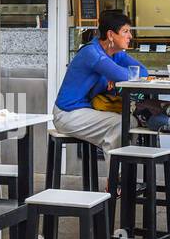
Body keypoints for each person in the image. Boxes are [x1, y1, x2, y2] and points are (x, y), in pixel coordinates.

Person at [53, 8, 147, 151]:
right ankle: (117, 171)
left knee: (130, 121)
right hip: (68, 114)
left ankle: (123, 168)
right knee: (122, 123)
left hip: (89, 110)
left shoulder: (116, 54)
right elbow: (124, 76)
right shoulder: (92, 53)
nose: (130, 36)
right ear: (110, 35)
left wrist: (114, 76)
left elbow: (143, 71)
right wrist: (114, 76)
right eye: (125, 31)